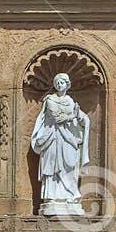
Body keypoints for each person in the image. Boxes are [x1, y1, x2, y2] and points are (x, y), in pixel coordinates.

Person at [30, 72, 89, 216]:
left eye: (62, 82)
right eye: (57, 83)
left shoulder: (70, 101)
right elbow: (57, 118)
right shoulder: (50, 100)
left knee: (69, 167)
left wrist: (80, 117)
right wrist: (73, 115)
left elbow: (82, 118)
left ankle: (70, 197)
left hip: (68, 140)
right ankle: (51, 198)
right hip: (52, 138)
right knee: (52, 168)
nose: (59, 85)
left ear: (67, 84)